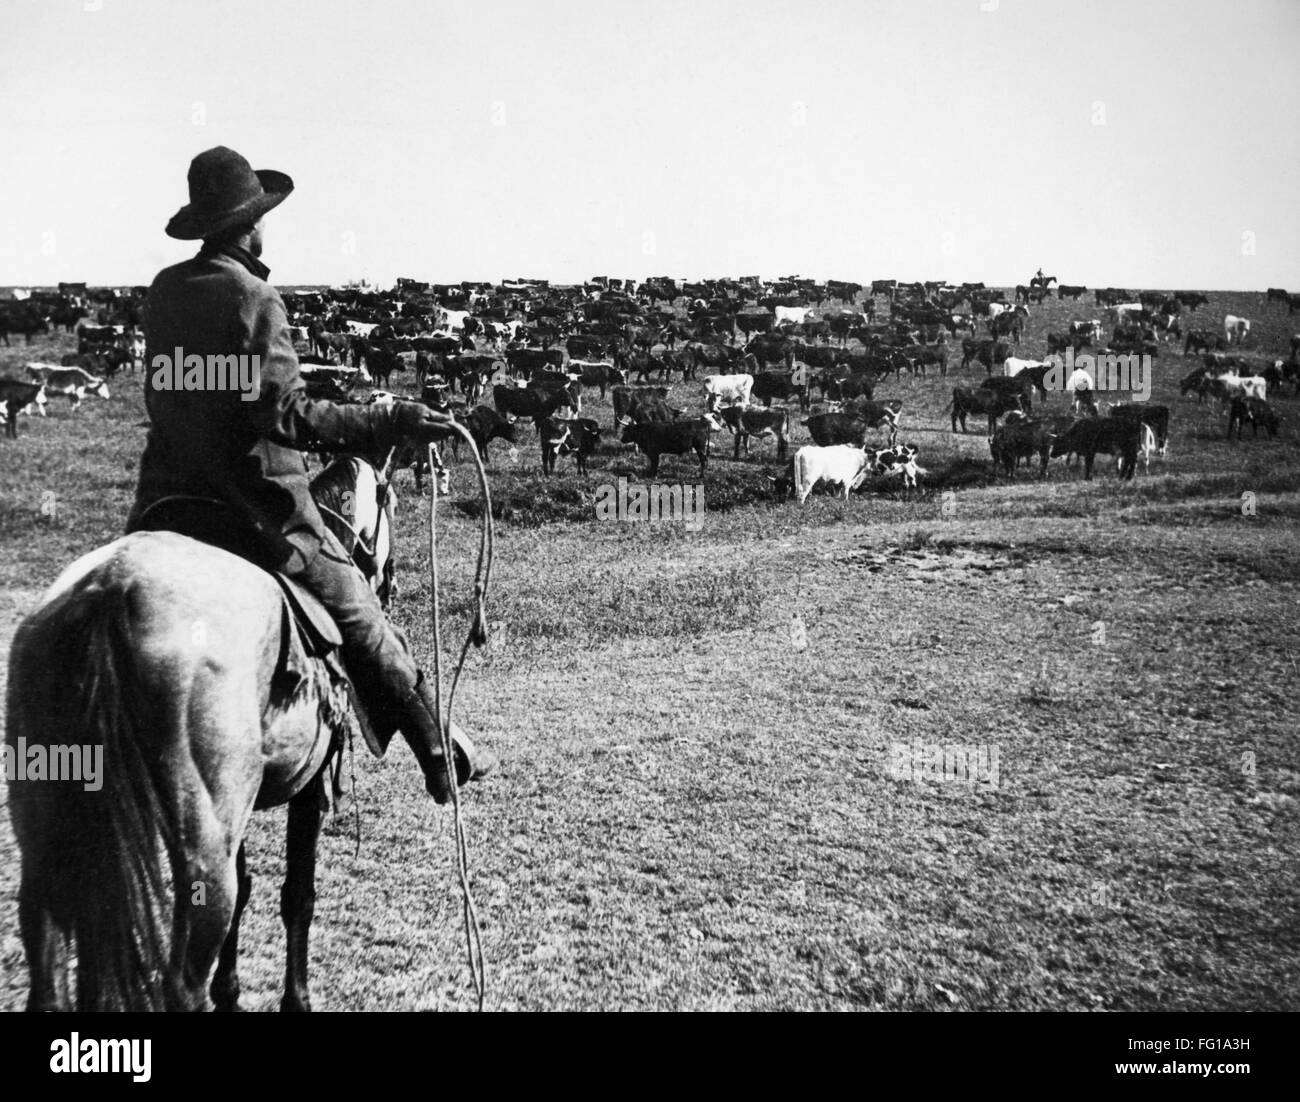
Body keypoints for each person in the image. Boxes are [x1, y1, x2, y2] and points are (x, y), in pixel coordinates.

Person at [127, 146, 494, 803]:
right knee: (356, 609)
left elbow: (170, 392)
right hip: (253, 507)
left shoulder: (163, 292)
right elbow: (286, 413)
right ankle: (437, 746)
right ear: (253, 225)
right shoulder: (256, 298)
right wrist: (388, 417)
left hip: (165, 504)